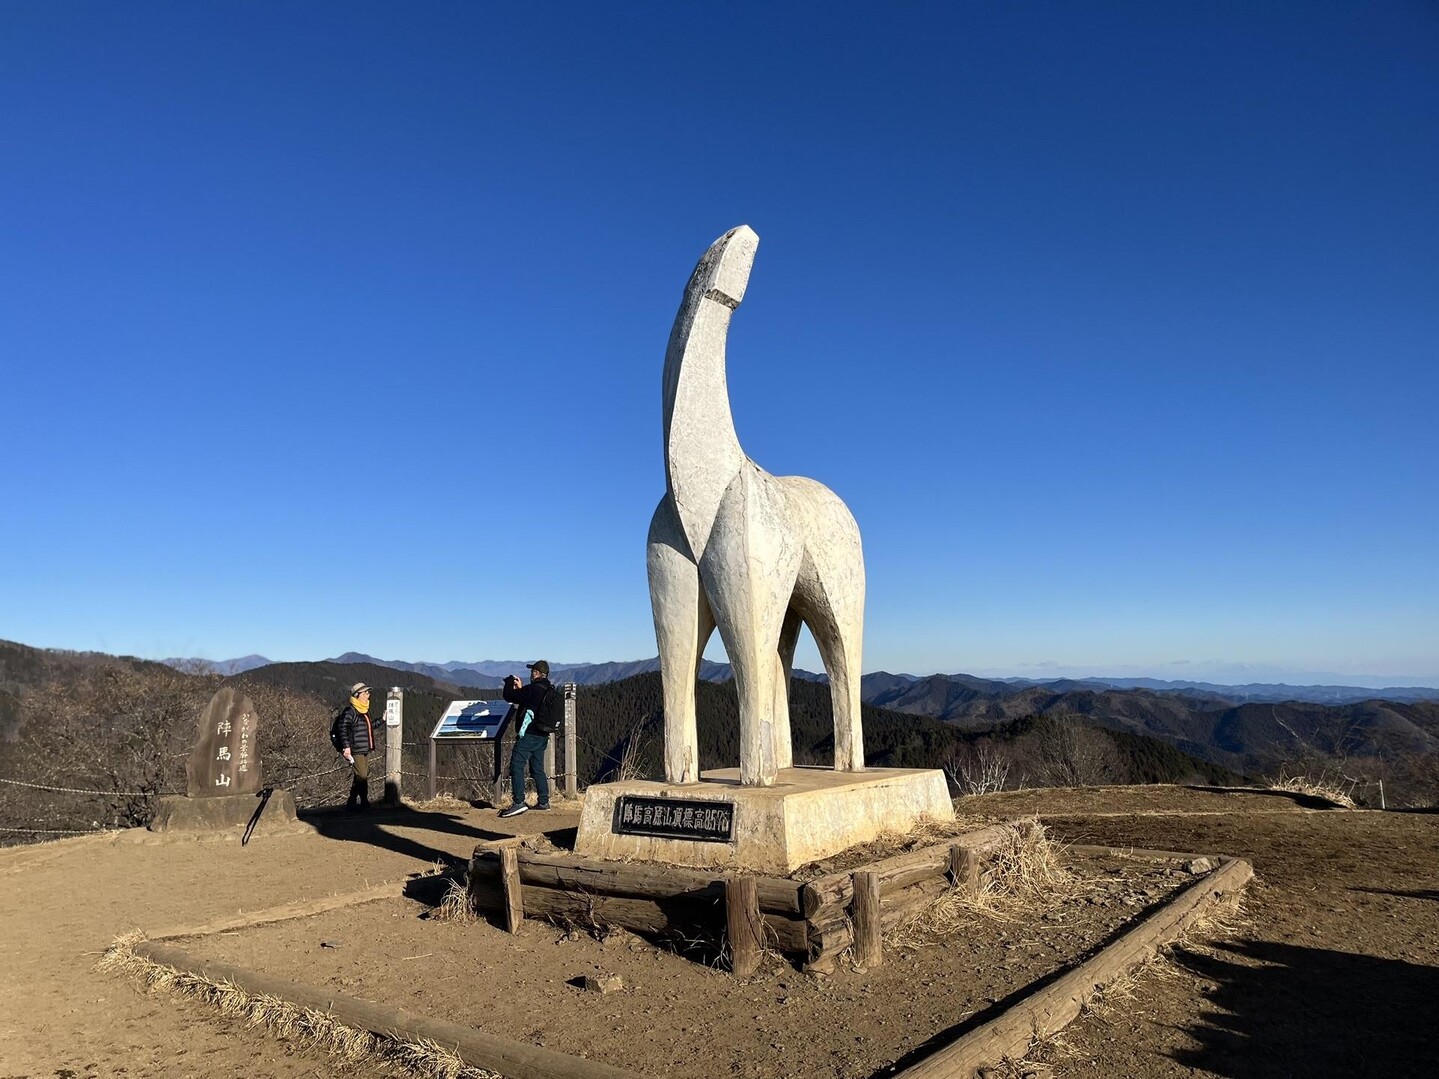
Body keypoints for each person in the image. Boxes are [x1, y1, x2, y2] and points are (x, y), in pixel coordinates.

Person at [498, 660, 555, 817]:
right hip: (542, 735)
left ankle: (518, 802)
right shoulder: (548, 689)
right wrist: (522, 689)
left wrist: (509, 682)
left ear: (536, 673)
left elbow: (508, 695)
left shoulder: (533, 689)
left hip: (528, 735)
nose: (531, 674)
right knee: (537, 768)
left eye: (532, 671)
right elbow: (527, 701)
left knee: (516, 765)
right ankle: (544, 801)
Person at [337, 682, 377, 812]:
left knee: (359, 775)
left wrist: (382, 719)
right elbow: (342, 728)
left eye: (368, 693)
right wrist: (346, 747)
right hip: (356, 749)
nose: (367, 695)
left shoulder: (364, 711)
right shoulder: (351, 711)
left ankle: (352, 800)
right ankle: (364, 802)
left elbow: (369, 727)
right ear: (357, 695)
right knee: (362, 776)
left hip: (363, 749)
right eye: (365, 693)